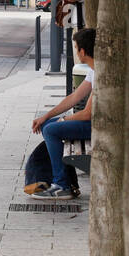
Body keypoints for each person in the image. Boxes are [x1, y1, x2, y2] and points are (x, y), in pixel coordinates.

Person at [30, 27, 96, 199]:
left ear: (82, 51)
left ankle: (62, 185)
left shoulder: (99, 74)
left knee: (52, 130)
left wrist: (64, 119)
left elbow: (87, 113)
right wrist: (47, 116)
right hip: (93, 123)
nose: (76, 52)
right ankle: (66, 181)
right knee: (47, 125)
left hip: (97, 126)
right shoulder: (93, 70)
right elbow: (74, 97)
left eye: (76, 48)